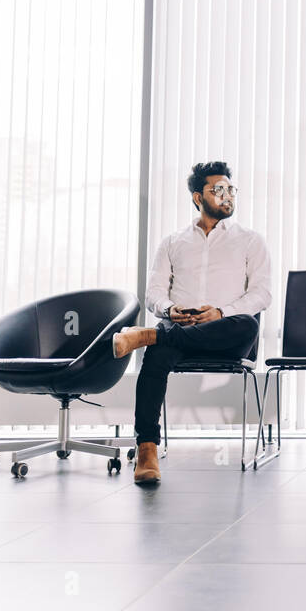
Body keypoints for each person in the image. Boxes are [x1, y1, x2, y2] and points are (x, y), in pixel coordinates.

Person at [111, 161, 272, 485]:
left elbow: (262, 294)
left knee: (247, 324)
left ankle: (150, 335)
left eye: (230, 189)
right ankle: (147, 449)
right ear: (198, 197)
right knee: (156, 357)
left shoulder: (250, 240)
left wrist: (220, 312)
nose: (227, 196)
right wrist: (170, 310)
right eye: (218, 190)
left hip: (228, 334)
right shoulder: (172, 242)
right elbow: (155, 292)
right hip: (180, 328)